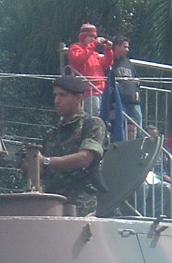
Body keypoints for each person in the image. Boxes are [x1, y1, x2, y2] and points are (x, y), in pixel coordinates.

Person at [27, 73, 110, 215]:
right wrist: (30, 165)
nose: (57, 100)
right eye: (55, 95)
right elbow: (43, 172)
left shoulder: (91, 124)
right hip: (53, 205)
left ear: (78, 98)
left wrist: (45, 161)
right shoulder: (52, 133)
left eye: (62, 95)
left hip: (81, 206)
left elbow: (84, 158)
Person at [65, 23, 113, 117]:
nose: (93, 39)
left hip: (101, 91)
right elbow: (80, 59)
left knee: (102, 118)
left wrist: (108, 50)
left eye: (94, 37)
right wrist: (94, 45)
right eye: (90, 36)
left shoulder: (94, 53)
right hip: (88, 91)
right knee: (93, 117)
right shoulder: (75, 49)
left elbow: (107, 64)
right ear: (83, 37)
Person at [106, 36, 141, 139]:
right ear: (117, 47)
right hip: (119, 100)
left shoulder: (128, 62)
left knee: (138, 124)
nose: (127, 50)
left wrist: (137, 90)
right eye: (125, 47)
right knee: (120, 125)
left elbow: (135, 78)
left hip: (133, 100)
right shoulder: (110, 61)